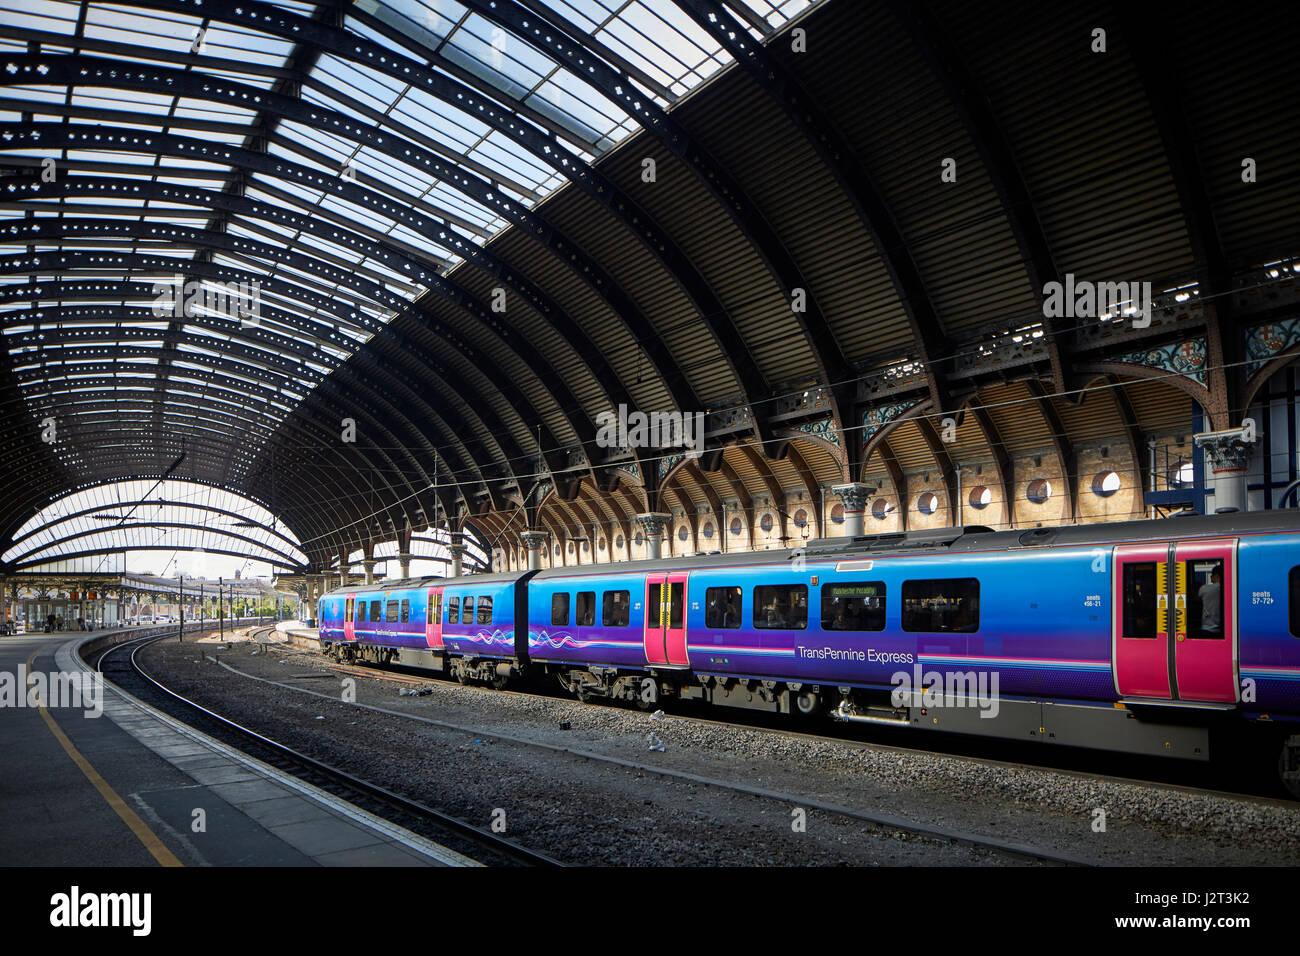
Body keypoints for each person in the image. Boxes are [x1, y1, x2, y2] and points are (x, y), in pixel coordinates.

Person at [1199, 567, 1223, 635]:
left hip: (1207, 629)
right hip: (1222, 630)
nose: (1210, 577)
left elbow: (1197, 600)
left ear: (1217, 576)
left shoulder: (1204, 589)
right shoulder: (1228, 589)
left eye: (1211, 575)